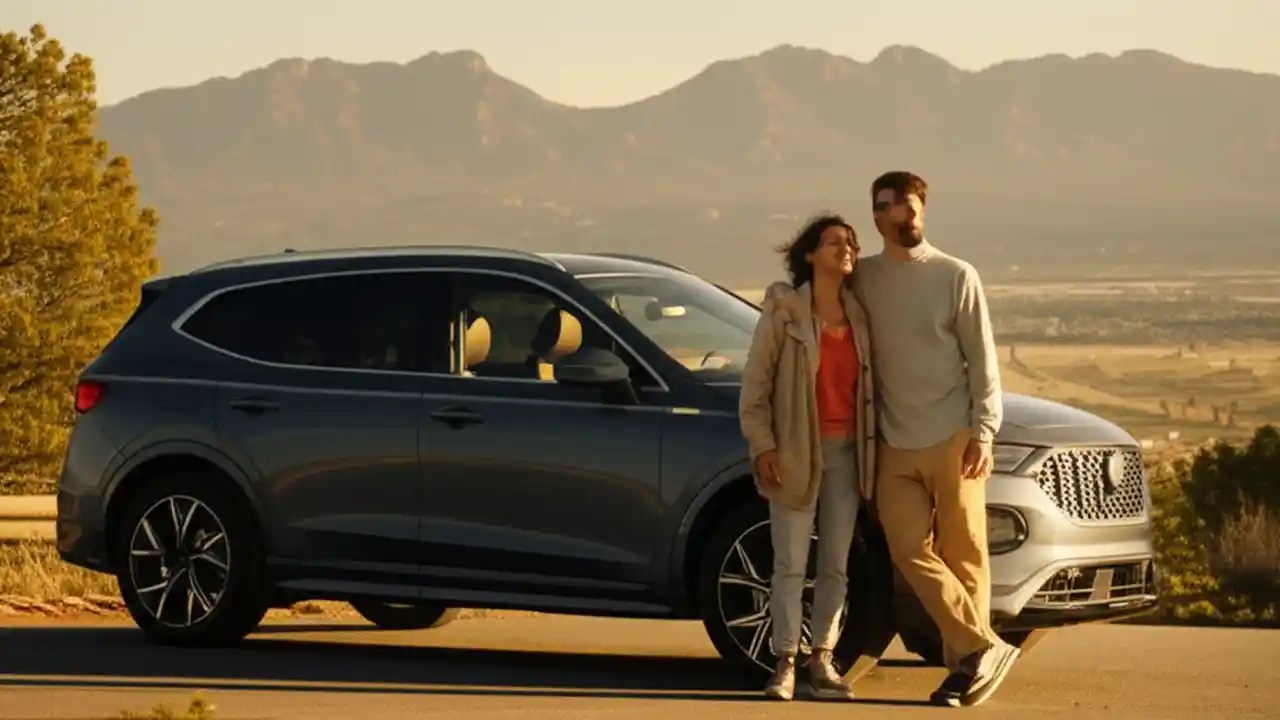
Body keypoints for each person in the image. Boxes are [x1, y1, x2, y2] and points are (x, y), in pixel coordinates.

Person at [854, 171, 1018, 707]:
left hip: (954, 438)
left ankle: (963, 671)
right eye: (892, 206)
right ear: (876, 216)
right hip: (893, 445)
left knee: (965, 555)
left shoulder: (956, 276)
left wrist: (985, 431)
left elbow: (983, 360)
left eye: (913, 204)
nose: (906, 213)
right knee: (907, 550)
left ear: (924, 209)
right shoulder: (864, 278)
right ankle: (981, 648)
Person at [739, 213, 877, 702]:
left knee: (835, 563)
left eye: (852, 244)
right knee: (791, 562)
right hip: (797, 450)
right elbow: (754, 389)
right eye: (834, 241)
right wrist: (764, 446)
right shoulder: (785, 314)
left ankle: (823, 657)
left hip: (847, 455)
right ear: (810, 255)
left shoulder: (861, 318)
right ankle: (785, 661)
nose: (846, 249)